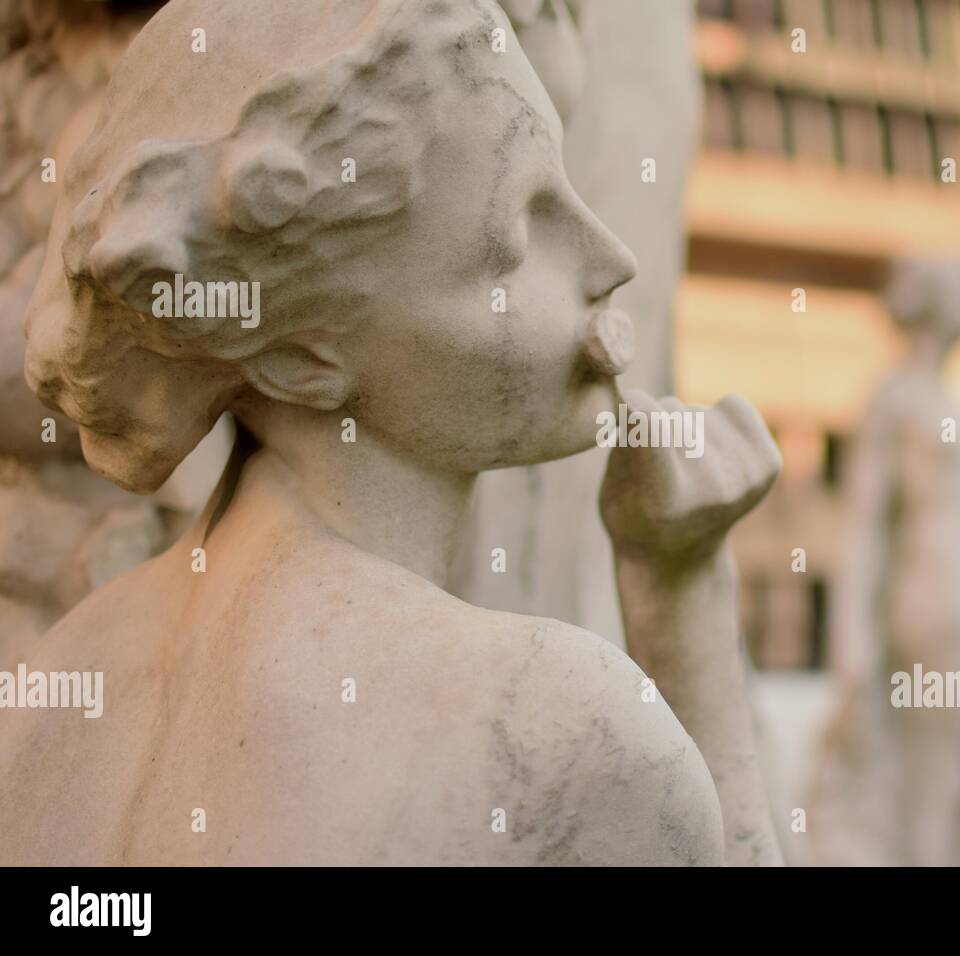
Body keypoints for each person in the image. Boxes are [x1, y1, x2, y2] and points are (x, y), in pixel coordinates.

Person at [2, 0, 781, 866]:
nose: (610, 259)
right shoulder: (556, 726)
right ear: (304, 358)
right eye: (518, 235)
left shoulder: (43, 697)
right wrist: (683, 601)